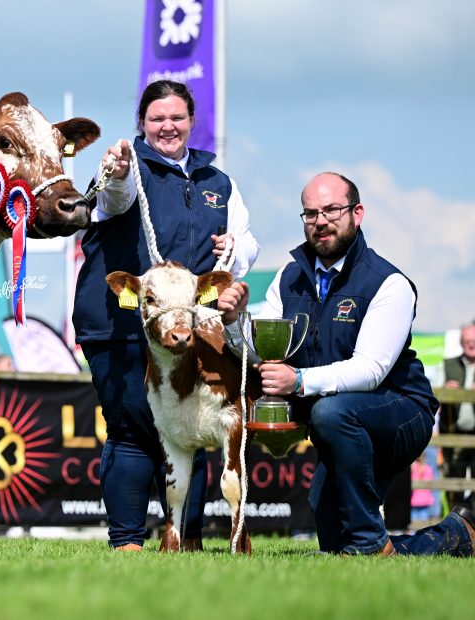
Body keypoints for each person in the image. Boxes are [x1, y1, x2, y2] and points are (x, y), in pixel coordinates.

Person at [218, 171, 474, 556]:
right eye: (310, 213)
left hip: (401, 412)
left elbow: (370, 370)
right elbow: (263, 353)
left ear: (357, 213)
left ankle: (371, 543)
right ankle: (456, 535)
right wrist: (234, 322)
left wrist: (300, 379)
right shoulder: (288, 278)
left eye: (331, 210)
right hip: (337, 421)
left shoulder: (389, 283)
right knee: (334, 539)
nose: (320, 221)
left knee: (332, 413)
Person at [72, 79, 259, 551]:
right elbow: (114, 200)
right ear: (142, 124)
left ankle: (185, 540)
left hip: (190, 330)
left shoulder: (219, 182)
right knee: (135, 428)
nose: (167, 126)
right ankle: (129, 541)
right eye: (157, 118)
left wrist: (237, 250)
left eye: (176, 117)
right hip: (119, 324)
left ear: (192, 121)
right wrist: (114, 173)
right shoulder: (124, 166)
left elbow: (247, 239)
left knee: (188, 431)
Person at [440, 323, 475, 510]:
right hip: (454, 433)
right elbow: (432, 395)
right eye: (467, 341)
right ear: (461, 343)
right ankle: (454, 528)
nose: (471, 344)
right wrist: (445, 390)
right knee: (453, 482)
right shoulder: (448, 364)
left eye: (474, 341)